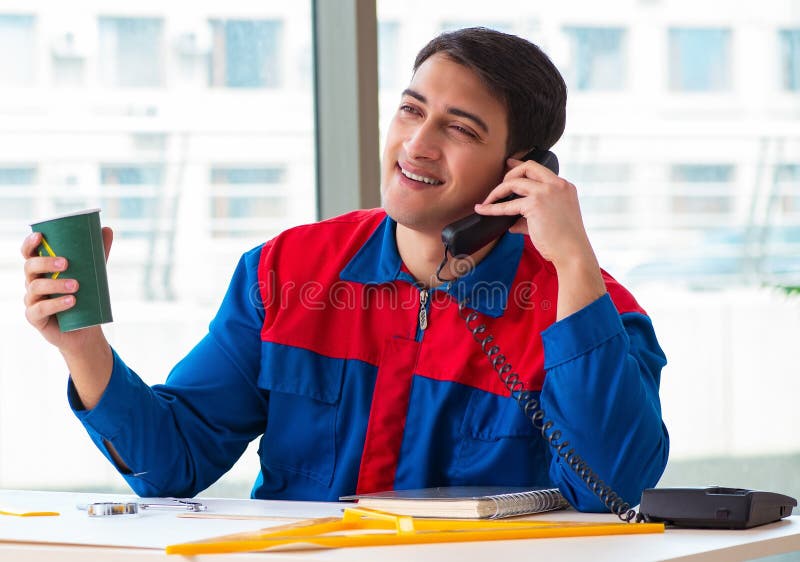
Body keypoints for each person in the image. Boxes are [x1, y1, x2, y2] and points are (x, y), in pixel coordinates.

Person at [21, 27, 668, 513]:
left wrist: (573, 262)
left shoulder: (593, 312)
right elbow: (173, 464)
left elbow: (611, 490)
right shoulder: (285, 272)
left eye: (460, 129)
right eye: (412, 110)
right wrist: (83, 345)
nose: (418, 144)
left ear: (521, 169)